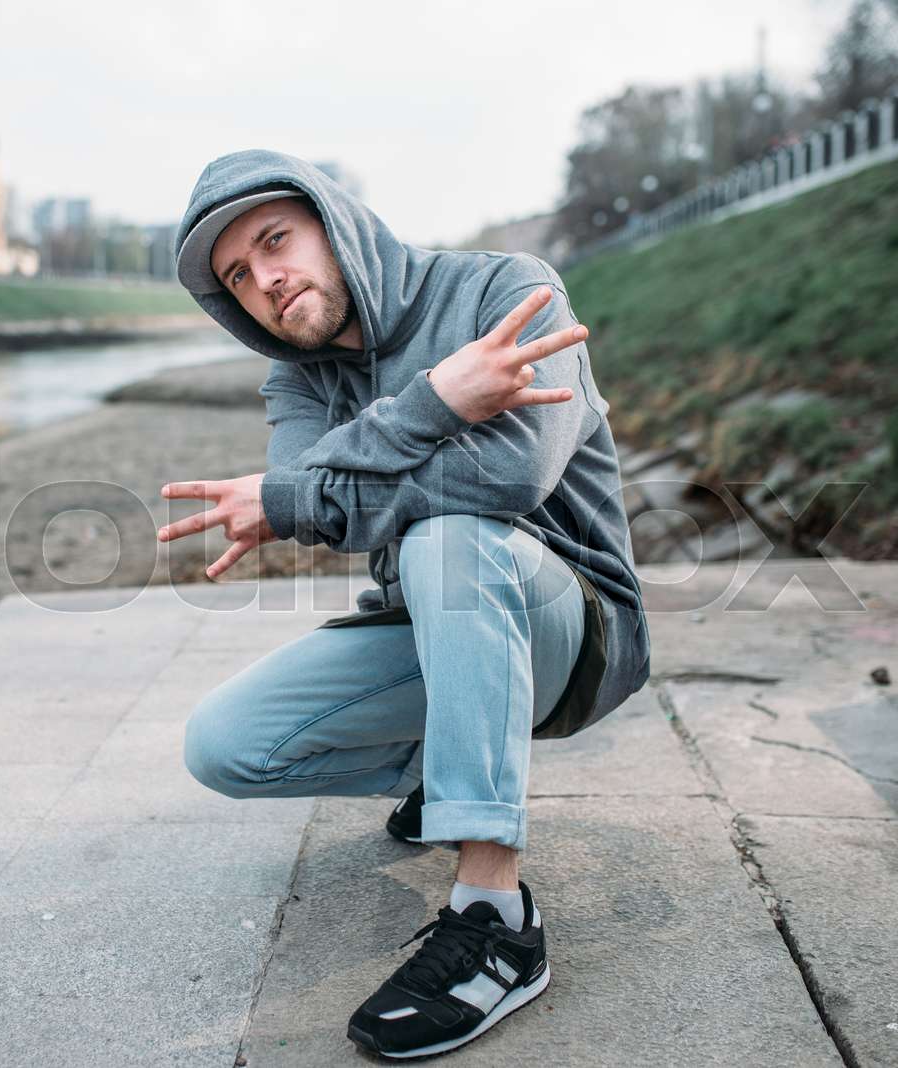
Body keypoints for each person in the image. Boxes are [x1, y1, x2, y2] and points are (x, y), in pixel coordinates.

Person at [162, 150, 650, 1059]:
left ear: (333, 221)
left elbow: (507, 474)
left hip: (572, 622)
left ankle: (494, 916)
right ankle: (447, 770)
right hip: (429, 626)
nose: (267, 281)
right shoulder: (299, 378)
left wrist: (310, 491)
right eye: (238, 275)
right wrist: (437, 402)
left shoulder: (505, 287)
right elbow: (313, 497)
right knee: (224, 746)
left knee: (449, 533)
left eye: (276, 241)